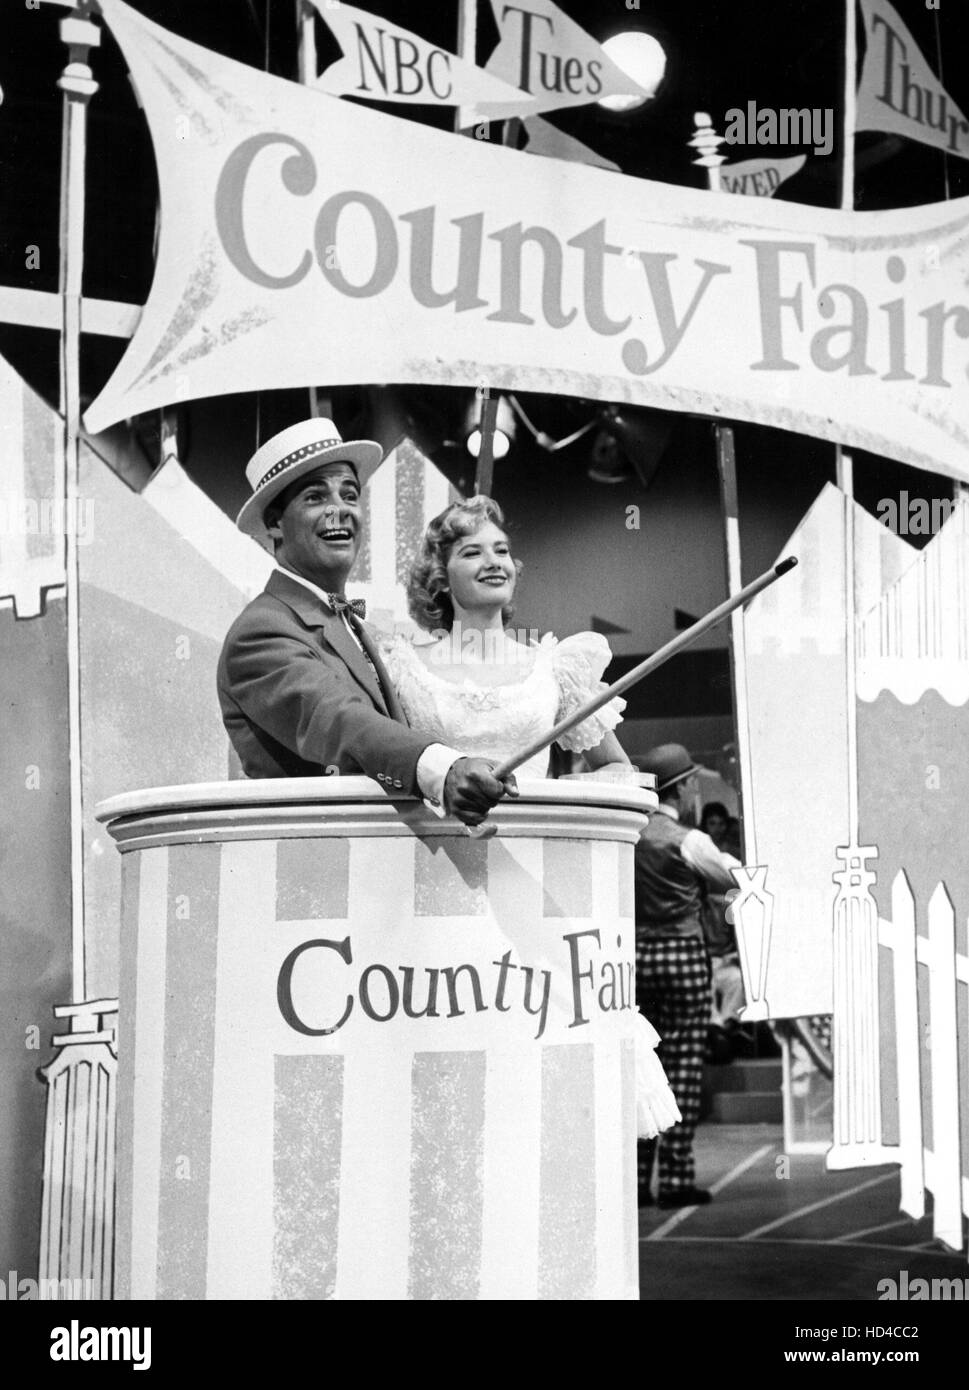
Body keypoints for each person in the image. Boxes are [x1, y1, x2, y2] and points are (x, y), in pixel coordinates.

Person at [378, 494, 681, 1140]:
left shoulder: (557, 669)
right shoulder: (403, 670)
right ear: (440, 577)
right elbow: (387, 769)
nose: (493, 560)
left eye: (500, 550)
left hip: (540, 889)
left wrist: (558, 811)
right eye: (470, 552)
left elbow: (618, 775)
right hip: (437, 889)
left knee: (547, 1056)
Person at [217, 418, 516, 827]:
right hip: (321, 864)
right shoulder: (261, 631)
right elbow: (336, 718)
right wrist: (442, 770)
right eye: (315, 497)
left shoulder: (348, 622)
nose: (339, 510)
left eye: (350, 494)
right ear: (274, 524)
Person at [633, 743, 739, 1208]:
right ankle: (675, 1182)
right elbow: (733, 877)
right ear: (686, 786)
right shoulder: (687, 840)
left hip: (634, 960)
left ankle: (635, 1180)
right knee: (683, 1071)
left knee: (640, 1070)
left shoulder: (630, 834)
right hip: (681, 956)